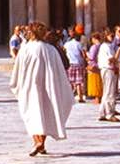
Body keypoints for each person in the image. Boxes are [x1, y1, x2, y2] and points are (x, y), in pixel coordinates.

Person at [9, 22, 74, 156]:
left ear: (31, 33)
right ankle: (41, 144)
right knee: (45, 113)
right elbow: (59, 71)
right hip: (48, 87)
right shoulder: (51, 50)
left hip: (30, 86)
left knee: (31, 113)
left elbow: (18, 69)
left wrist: (17, 84)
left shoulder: (26, 49)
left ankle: (37, 142)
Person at [97, 29, 120, 123]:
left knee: (107, 92)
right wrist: (119, 50)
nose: (112, 37)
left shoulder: (109, 46)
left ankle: (102, 113)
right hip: (108, 70)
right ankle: (109, 114)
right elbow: (112, 59)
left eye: (112, 36)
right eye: (110, 36)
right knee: (109, 92)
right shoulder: (105, 47)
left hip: (110, 70)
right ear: (105, 36)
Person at [64, 29, 87, 103]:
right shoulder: (78, 44)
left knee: (69, 81)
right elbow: (83, 54)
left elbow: (64, 51)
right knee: (78, 81)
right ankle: (80, 97)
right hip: (78, 63)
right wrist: (84, 61)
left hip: (70, 63)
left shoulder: (66, 44)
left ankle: (68, 97)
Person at [86, 32, 103, 101]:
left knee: (94, 82)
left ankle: (97, 98)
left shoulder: (94, 47)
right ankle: (100, 97)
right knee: (99, 82)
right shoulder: (102, 45)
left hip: (93, 66)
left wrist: (87, 55)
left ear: (94, 38)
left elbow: (91, 57)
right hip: (100, 65)